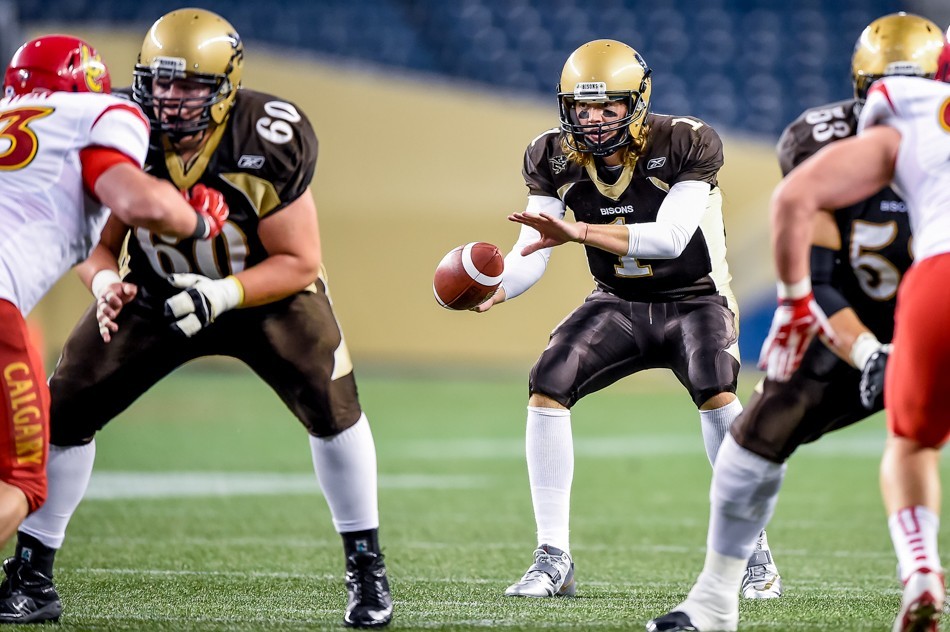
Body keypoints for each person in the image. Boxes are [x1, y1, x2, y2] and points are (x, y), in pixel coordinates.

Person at [0, 9, 392, 629]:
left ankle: (366, 567)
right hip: (155, 292)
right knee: (68, 406)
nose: (170, 99)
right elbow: (97, 245)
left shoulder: (265, 137)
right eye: (159, 83)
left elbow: (300, 260)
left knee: (334, 406)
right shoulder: (127, 129)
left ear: (226, 88)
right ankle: (31, 575)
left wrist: (224, 296)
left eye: (187, 87)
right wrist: (105, 284)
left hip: (265, 295)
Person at [645, 13, 946, 632]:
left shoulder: (855, 136)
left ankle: (715, 603)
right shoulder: (835, 137)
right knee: (754, 438)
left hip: (915, 312)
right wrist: (868, 354)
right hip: (863, 322)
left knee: (758, 445)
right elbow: (825, 275)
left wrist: (796, 307)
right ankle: (714, 603)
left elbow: (802, 237)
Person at [474, 39, 779, 600]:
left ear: (636, 104)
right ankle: (552, 556)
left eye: (606, 107)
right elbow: (532, 249)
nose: (591, 122)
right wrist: (496, 287)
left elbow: (670, 238)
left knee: (716, 386)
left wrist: (583, 232)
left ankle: (752, 549)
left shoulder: (685, 141)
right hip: (617, 301)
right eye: (581, 109)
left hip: (696, 297)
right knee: (549, 382)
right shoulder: (551, 155)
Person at [0, 30, 230, 589]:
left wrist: (103, 280)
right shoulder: (99, 112)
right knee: (22, 484)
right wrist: (197, 218)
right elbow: (135, 199)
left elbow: (71, 228)